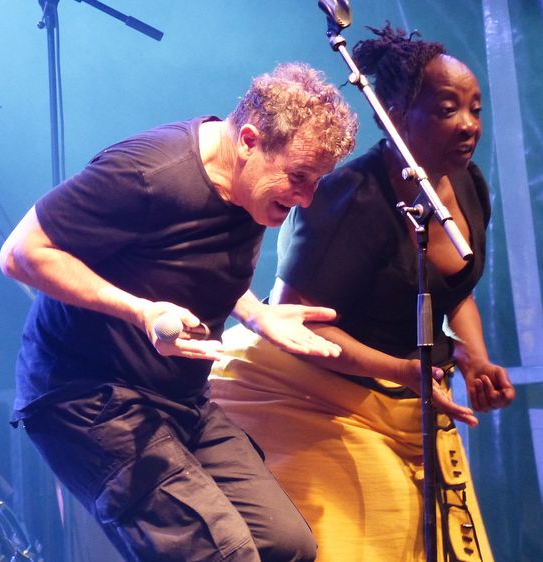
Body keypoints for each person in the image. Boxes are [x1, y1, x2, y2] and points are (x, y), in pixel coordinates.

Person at [0, 62, 357, 561]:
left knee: (286, 546)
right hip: (87, 400)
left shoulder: (246, 184)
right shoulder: (149, 173)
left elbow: (186, 259)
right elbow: (21, 253)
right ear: (250, 140)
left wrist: (258, 315)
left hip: (182, 400)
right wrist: (142, 311)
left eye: (317, 181)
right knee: (222, 555)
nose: (306, 198)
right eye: (299, 177)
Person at [210, 26, 515, 561]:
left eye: (475, 109)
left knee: (442, 544)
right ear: (395, 114)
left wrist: (475, 359)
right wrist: (402, 371)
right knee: (381, 529)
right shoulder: (348, 200)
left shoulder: (467, 187)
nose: (469, 125)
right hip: (306, 392)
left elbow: (452, 292)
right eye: (447, 109)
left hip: (403, 396)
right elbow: (295, 321)